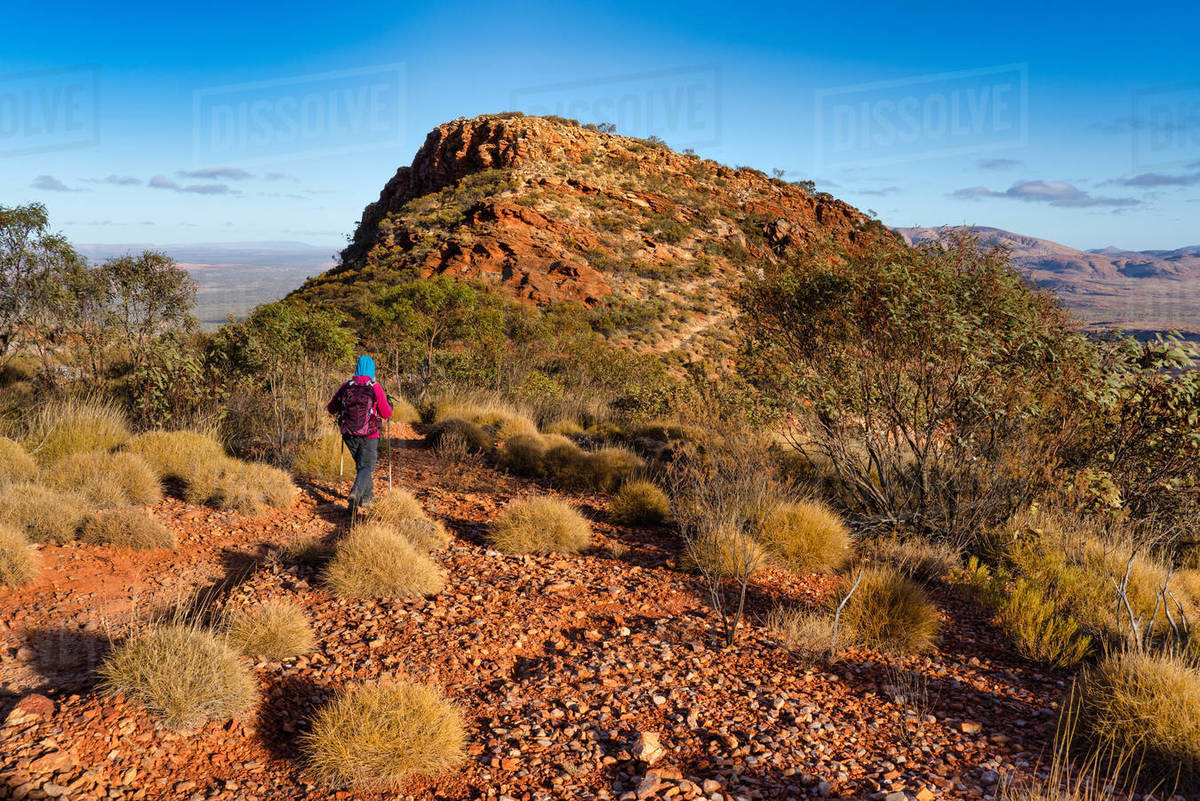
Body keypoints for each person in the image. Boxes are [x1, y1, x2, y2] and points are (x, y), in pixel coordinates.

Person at [326, 355, 393, 513]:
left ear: (357, 368)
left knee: (362, 467)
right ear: (372, 369)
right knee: (367, 467)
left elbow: (331, 409)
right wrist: (389, 405)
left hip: (349, 434)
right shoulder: (374, 386)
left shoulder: (346, 385)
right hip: (369, 435)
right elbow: (386, 413)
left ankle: (366, 498)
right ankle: (355, 494)